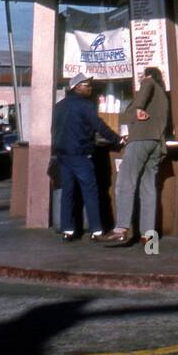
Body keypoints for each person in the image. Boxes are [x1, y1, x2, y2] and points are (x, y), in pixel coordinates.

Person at [102, 66, 170, 246]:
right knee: (149, 190)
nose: (141, 79)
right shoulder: (163, 95)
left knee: (125, 181)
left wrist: (138, 107)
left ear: (149, 75)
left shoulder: (149, 83)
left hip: (140, 140)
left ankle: (121, 229)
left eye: (142, 75)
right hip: (156, 143)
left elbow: (145, 89)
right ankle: (149, 238)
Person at [52, 74, 122, 241]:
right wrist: (117, 138)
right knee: (90, 192)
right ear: (77, 87)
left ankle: (67, 230)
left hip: (63, 154)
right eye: (87, 85)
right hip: (81, 154)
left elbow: (54, 129)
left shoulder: (59, 106)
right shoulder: (86, 105)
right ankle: (96, 230)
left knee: (68, 193)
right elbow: (99, 126)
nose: (90, 88)